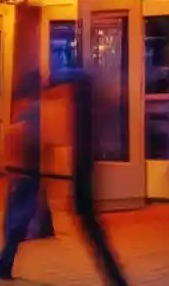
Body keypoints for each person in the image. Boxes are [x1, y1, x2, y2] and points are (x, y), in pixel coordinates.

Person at [50, 63, 130, 286]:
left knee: (89, 222)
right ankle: (114, 276)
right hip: (84, 164)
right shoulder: (89, 107)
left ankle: (115, 277)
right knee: (88, 221)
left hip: (83, 164)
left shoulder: (84, 109)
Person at [0, 69, 52, 280]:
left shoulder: (31, 110)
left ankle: (4, 262)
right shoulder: (38, 110)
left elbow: (25, 138)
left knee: (15, 221)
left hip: (23, 172)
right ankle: (3, 259)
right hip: (27, 171)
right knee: (16, 219)